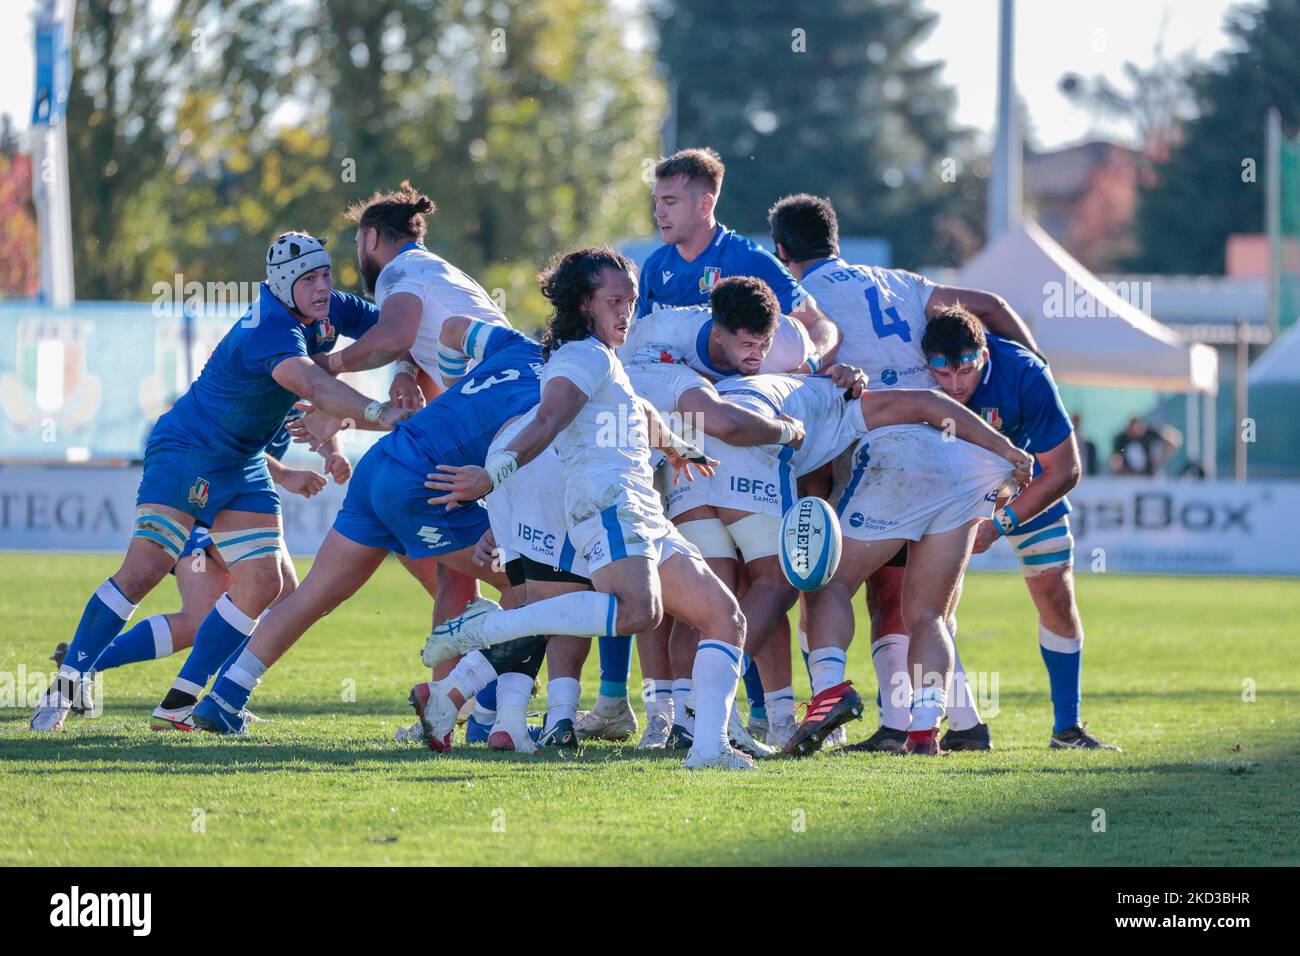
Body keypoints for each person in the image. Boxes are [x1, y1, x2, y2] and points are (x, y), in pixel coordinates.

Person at [29, 232, 397, 733]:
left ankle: (181, 705)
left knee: (267, 583)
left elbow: (394, 329)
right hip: (189, 452)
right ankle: (67, 686)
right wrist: (385, 414)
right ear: (285, 285)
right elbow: (315, 387)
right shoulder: (272, 328)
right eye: (309, 278)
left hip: (242, 461)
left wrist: (410, 368)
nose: (323, 287)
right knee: (144, 570)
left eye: (327, 274)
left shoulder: (326, 308)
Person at [423, 247, 757, 770]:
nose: (628, 311)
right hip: (609, 504)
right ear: (584, 303)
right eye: (615, 300)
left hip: (642, 508)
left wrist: (672, 444)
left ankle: (709, 750)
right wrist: (494, 475)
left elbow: (638, 409)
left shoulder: (603, 357)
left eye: (632, 300)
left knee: (725, 617)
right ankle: (488, 633)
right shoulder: (582, 355)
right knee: (638, 614)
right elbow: (548, 420)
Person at [573, 148, 843, 746]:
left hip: (736, 433)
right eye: (657, 201)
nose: (660, 212)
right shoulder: (654, 268)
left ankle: (756, 712)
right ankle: (663, 713)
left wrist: (819, 363)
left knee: (747, 580)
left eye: (670, 201)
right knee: (670, 580)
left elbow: (814, 325)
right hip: (674, 438)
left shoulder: (746, 260)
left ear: (706, 203)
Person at [767, 191, 1043, 752]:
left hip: (895, 449)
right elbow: (988, 305)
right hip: (966, 459)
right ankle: (924, 731)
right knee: (928, 614)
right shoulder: (898, 281)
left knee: (825, 581)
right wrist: (1034, 372)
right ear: (835, 237)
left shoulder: (799, 299)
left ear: (780, 251)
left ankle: (828, 692)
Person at [186, 314, 537, 738]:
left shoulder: (518, 344)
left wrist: (449, 387)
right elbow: (529, 460)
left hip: (384, 461)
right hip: (422, 484)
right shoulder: (568, 393)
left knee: (312, 595)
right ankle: (484, 718)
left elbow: (451, 328)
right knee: (536, 590)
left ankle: (225, 697)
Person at [923, 307, 1120, 750]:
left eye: (966, 373)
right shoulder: (917, 374)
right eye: (944, 375)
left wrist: (1002, 522)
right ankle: (955, 723)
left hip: (1026, 488)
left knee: (1055, 593)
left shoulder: (1024, 373)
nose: (955, 387)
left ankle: (1067, 729)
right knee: (933, 605)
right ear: (927, 362)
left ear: (984, 354)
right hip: (951, 487)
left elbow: (1066, 468)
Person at [1110, 416, 1182, 477]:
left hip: (1152, 476)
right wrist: (1120, 470)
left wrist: (1161, 458)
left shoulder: (1151, 434)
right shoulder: (1122, 439)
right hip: (1130, 477)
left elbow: (1173, 441)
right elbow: (1115, 459)